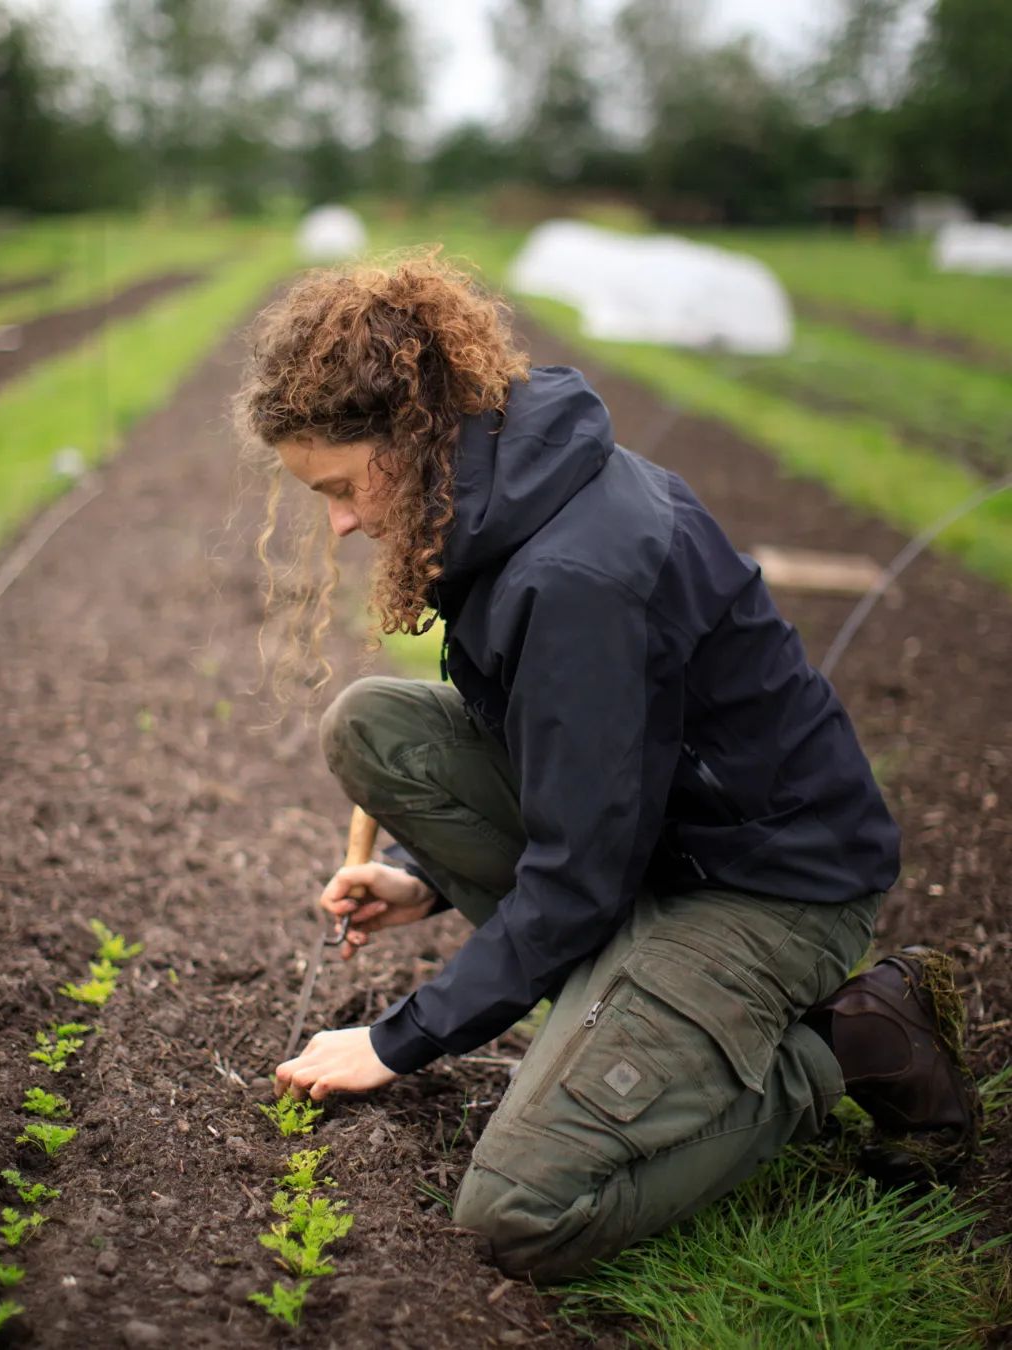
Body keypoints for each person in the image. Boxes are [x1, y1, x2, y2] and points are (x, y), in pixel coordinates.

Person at [235, 252, 978, 1283]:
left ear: (411, 437)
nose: (343, 523)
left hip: (767, 892)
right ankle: (624, 1014)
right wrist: (416, 871)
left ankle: (832, 1053)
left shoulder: (578, 572)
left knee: (520, 1211)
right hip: (659, 845)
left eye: (342, 486)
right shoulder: (500, 496)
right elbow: (550, 752)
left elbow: (581, 874)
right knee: (373, 724)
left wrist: (399, 1039)